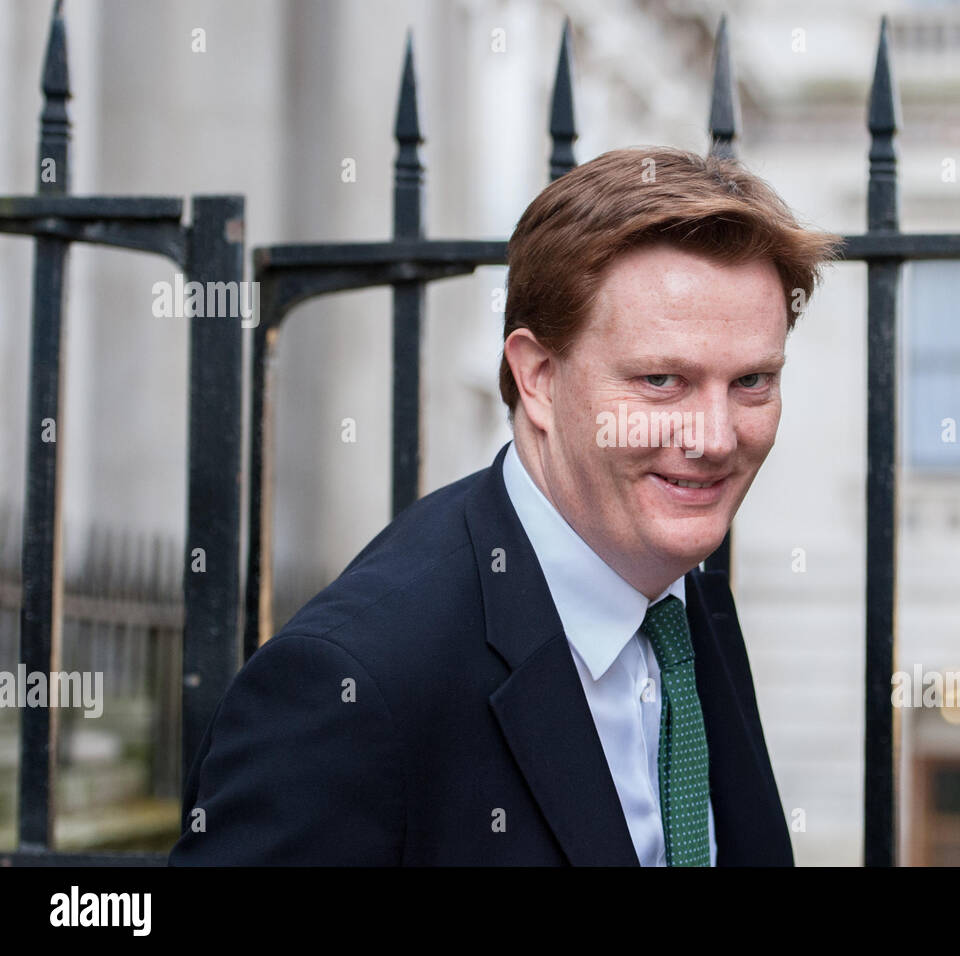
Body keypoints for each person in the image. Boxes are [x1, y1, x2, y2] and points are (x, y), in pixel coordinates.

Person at [169, 146, 843, 865]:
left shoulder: (685, 607)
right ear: (539, 378)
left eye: (752, 382)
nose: (713, 439)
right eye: (660, 380)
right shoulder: (352, 683)